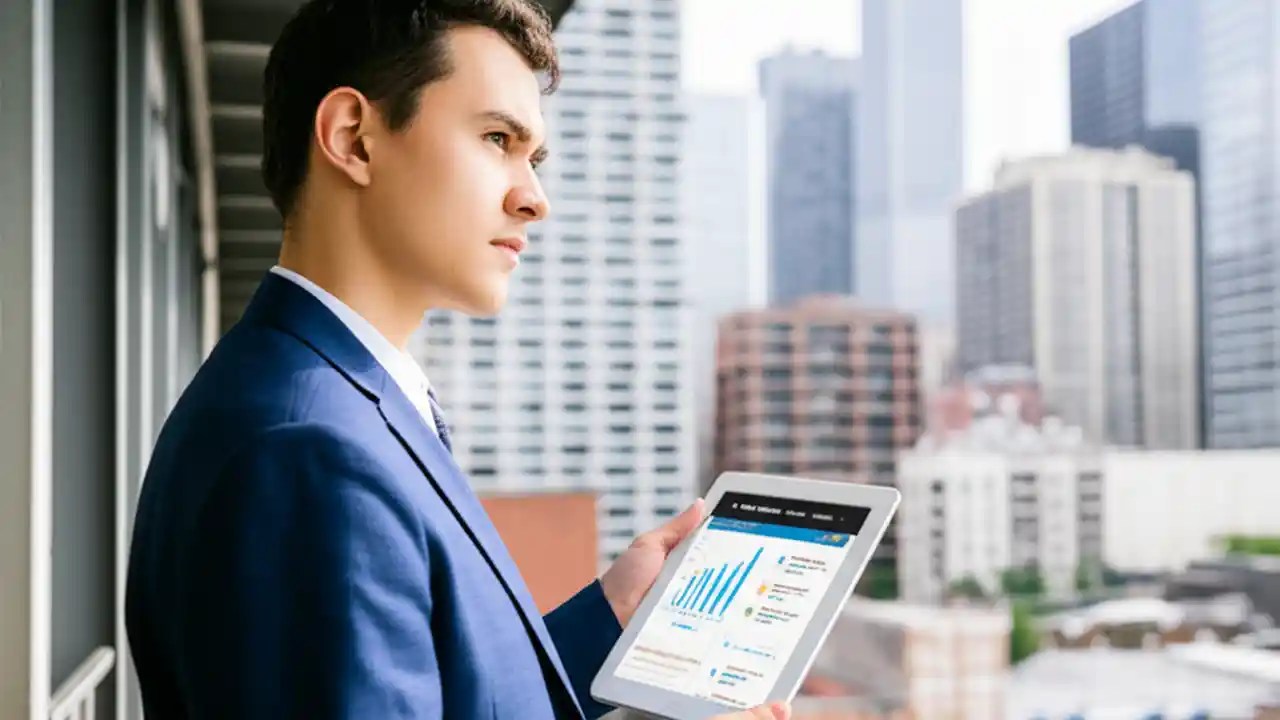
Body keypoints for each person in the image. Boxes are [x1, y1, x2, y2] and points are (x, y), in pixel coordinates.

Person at [124, 1, 790, 718]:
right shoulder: (311, 451)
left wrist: (610, 620)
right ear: (354, 139)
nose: (535, 199)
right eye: (497, 138)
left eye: (532, 158)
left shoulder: (329, 395)